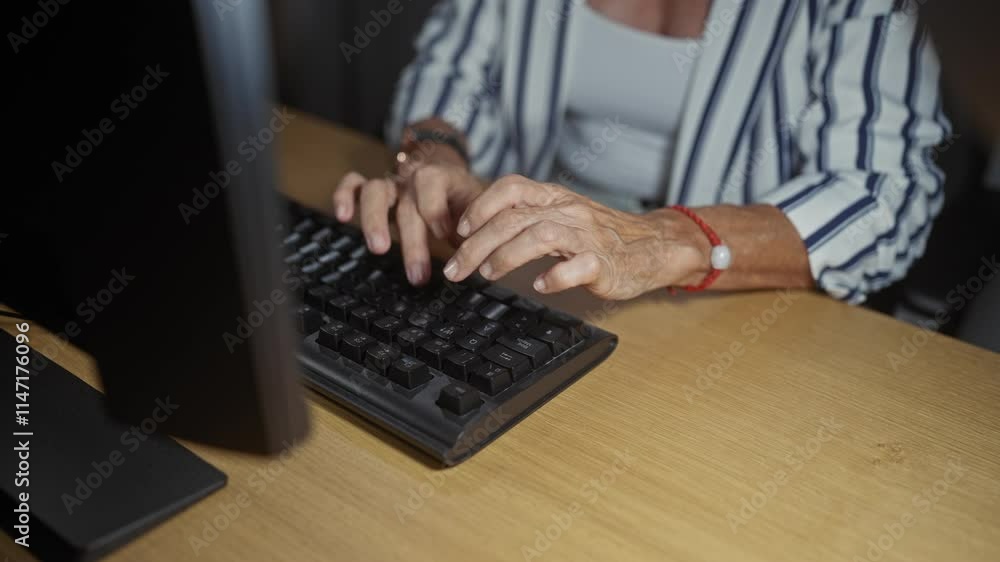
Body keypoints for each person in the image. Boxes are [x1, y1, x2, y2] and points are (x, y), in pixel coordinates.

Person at [333, 0, 950, 304]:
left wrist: (662, 242)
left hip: (726, 308)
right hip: (529, 283)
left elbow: (883, 190)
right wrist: (440, 160)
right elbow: (448, 75)